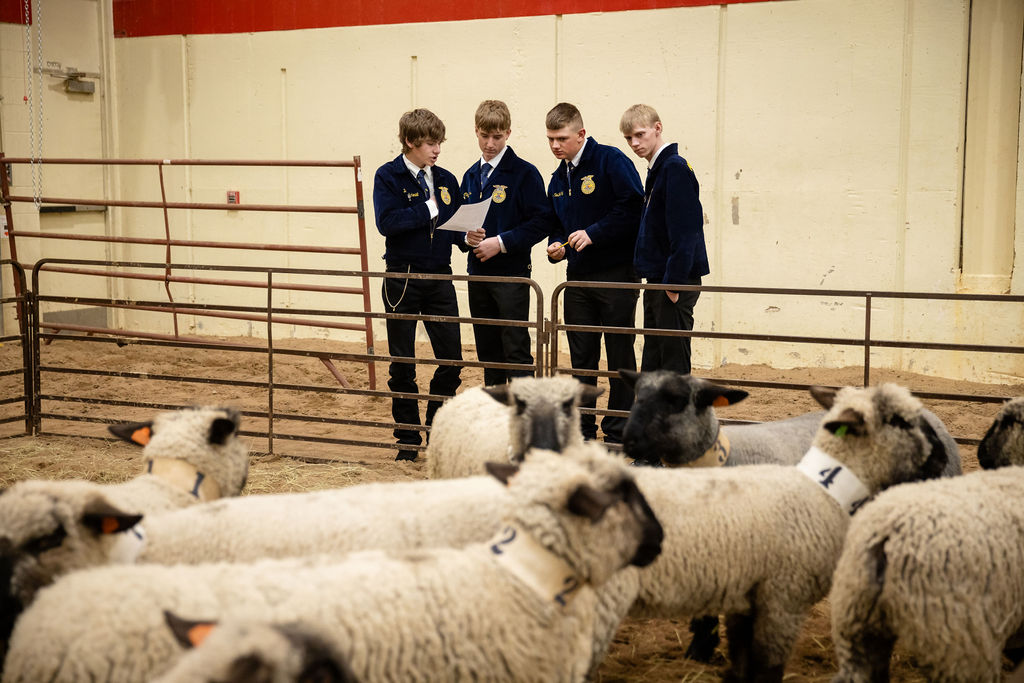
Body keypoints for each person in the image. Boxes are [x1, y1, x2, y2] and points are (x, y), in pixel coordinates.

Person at [544, 102, 643, 444]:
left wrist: (593, 233)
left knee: (619, 354)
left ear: (580, 134)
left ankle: (618, 432)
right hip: (578, 280)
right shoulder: (557, 179)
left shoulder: (610, 160)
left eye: (561, 138)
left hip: (616, 275)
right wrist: (556, 245)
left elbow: (633, 207)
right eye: (550, 139)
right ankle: (584, 431)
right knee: (582, 359)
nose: (555, 145)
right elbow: (556, 224)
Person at [372, 108, 464, 461]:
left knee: (453, 359)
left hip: (440, 276)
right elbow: (387, 222)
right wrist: (428, 209)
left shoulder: (446, 179)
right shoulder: (388, 176)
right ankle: (407, 441)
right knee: (403, 362)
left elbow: (453, 226)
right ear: (410, 141)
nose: (437, 150)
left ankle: (437, 430)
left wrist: (468, 236)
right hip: (403, 277)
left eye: (439, 142)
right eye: (430, 143)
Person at [459, 100, 553, 386]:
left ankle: (522, 418)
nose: (490, 143)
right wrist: (466, 238)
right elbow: (459, 223)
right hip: (477, 275)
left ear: (508, 133)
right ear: (476, 131)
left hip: (511, 275)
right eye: (484, 136)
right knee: (488, 351)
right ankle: (496, 416)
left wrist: (500, 243)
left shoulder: (524, 173)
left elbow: (541, 222)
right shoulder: (470, 176)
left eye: (497, 137)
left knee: (515, 350)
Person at [620, 104, 709, 374]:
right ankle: (659, 415)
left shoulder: (674, 168)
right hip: (660, 278)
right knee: (656, 358)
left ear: (657, 128)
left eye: (640, 134)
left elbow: (686, 231)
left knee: (671, 361)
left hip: (673, 281)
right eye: (628, 138)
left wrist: (674, 282)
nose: (634, 143)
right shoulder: (659, 169)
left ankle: (678, 416)